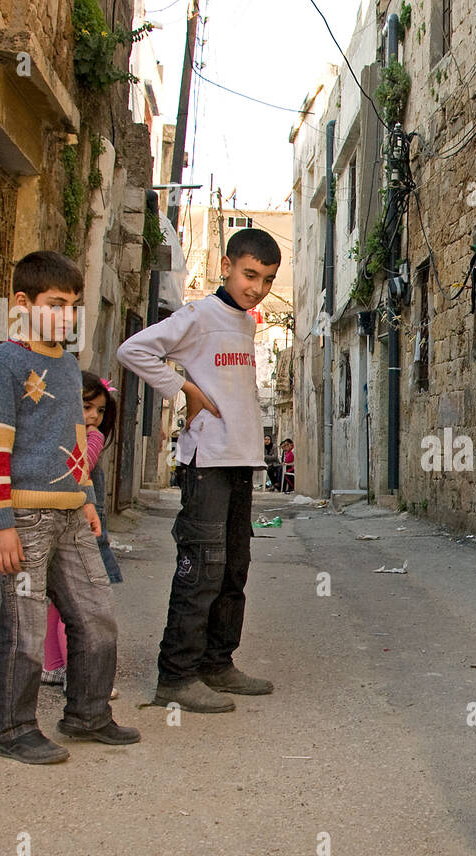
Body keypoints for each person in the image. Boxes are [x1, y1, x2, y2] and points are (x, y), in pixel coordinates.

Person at [0, 250, 140, 764]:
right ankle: (15, 731)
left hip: (71, 516)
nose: (67, 316)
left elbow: (76, 438)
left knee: (96, 615)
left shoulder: (66, 367)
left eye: (73, 306)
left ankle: (88, 715)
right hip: (24, 519)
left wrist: (86, 498)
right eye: (56, 304)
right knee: (24, 627)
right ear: (23, 304)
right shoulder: (3, 365)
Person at [116, 228, 280, 713]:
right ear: (226, 266)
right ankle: (176, 676)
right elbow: (133, 350)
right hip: (206, 461)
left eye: (268, 280)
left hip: (239, 460)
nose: (257, 288)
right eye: (249, 275)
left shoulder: (245, 322)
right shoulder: (199, 315)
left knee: (233, 569)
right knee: (201, 570)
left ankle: (217, 663)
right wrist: (183, 389)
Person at [42, 373, 123, 699]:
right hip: (75, 531)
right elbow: (80, 467)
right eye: (86, 407)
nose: (94, 417)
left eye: (100, 411)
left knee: (59, 601)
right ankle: (78, 675)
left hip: (69, 527)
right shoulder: (83, 439)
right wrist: (93, 439)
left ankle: (53, 665)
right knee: (79, 603)